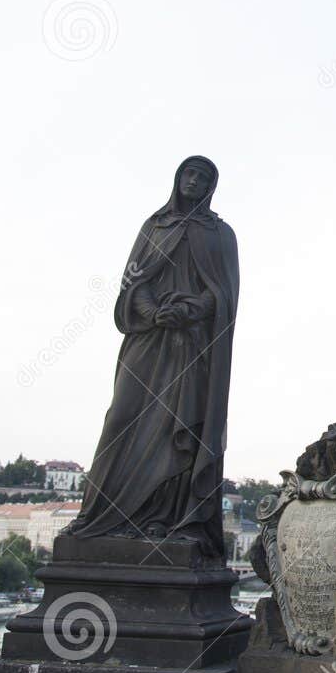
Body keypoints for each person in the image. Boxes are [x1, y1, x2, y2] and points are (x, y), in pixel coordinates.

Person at [69, 156, 239, 558]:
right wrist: (150, 311)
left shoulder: (221, 234)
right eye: (188, 174)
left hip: (191, 345)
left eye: (202, 177)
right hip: (148, 340)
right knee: (121, 418)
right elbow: (134, 280)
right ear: (178, 178)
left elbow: (225, 294)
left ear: (212, 186)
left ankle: (164, 518)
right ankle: (99, 516)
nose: (193, 181)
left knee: (177, 426)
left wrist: (191, 309)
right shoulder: (155, 226)